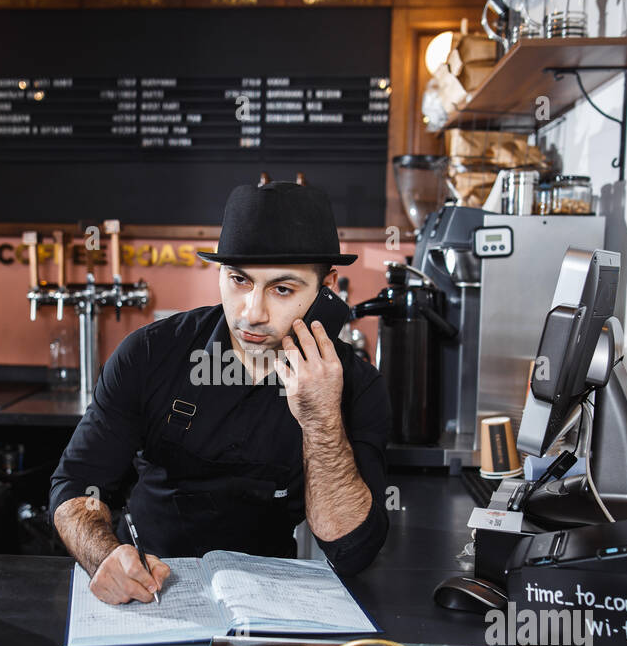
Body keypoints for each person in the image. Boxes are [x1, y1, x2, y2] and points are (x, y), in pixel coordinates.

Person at [49, 179, 390, 604]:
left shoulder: (357, 386)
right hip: (149, 591)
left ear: (327, 289)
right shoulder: (150, 353)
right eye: (239, 280)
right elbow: (75, 485)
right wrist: (104, 556)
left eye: (282, 289)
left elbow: (352, 550)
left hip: (271, 600)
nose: (252, 312)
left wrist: (321, 419)